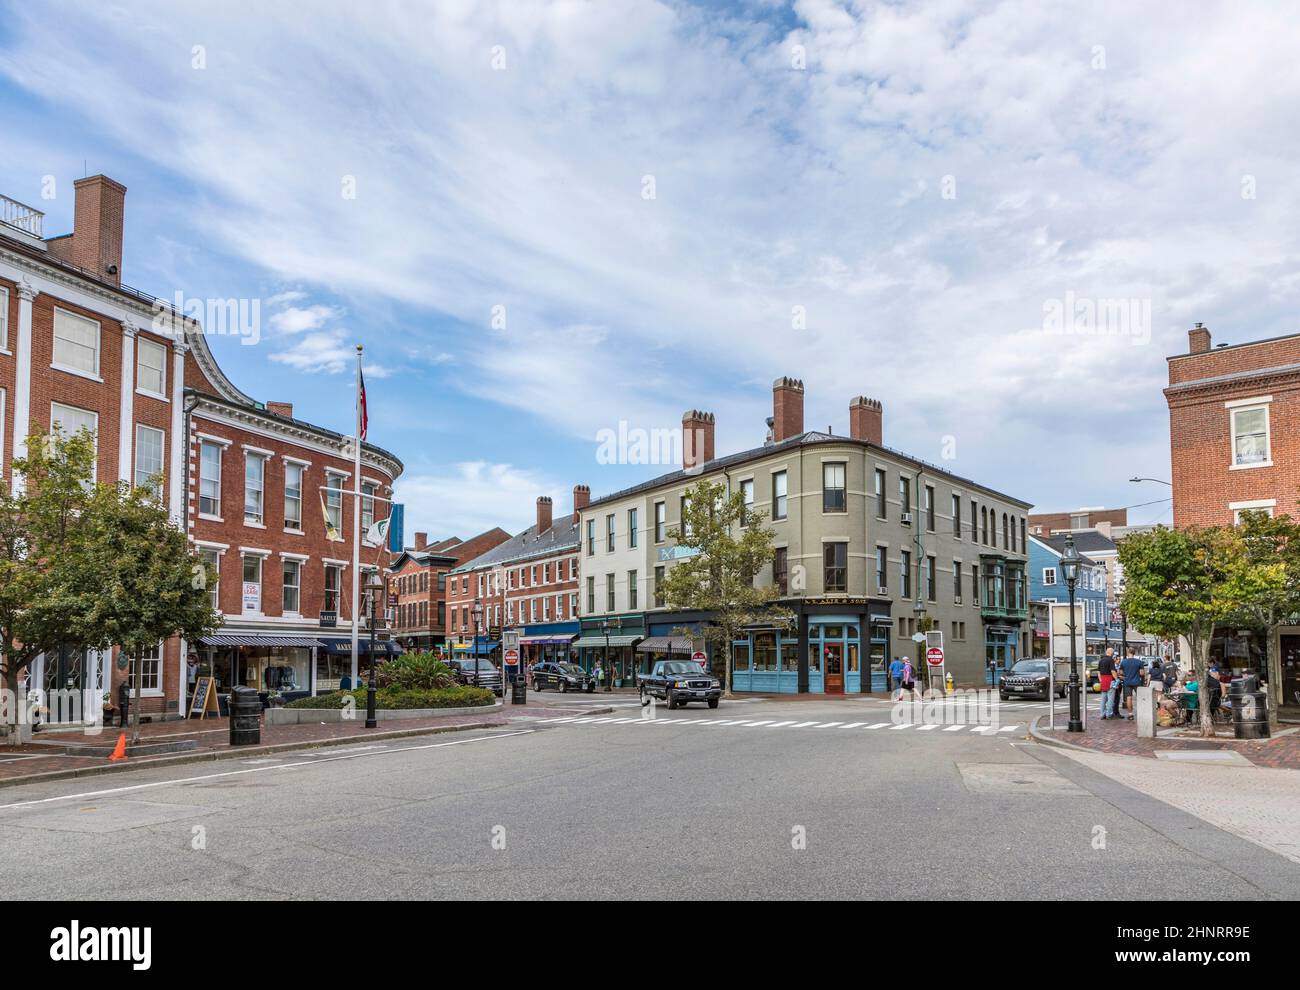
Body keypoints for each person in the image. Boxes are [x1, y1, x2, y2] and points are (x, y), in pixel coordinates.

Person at [1119, 649, 1145, 719]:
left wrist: (1126, 674)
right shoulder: (1139, 662)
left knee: (1129, 698)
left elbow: (1121, 673)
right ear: (1134, 653)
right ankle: (1142, 712)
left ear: (1128, 653)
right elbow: (1142, 673)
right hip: (1137, 682)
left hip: (1127, 681)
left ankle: (1130, 714)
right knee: (1140, 697)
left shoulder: (1123, 662)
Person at [1098, 648, 1116, 719]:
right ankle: (1109, 714)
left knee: (1103, 698)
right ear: (1111, 653)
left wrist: (1100, 680)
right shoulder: (1111, 660)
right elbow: (1113, 671)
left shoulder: (1101, 660)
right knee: (1110, 698)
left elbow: (1098, 672)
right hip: (1110, 679)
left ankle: (1102, 714)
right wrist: (1117, 679)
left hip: (1103, 679)